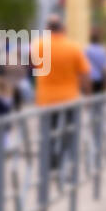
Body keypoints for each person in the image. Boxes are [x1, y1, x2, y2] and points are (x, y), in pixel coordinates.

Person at [31, 16, 91, 170]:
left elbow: (32, 67)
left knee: (48, 133)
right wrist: (87, 94)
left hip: (46, 98)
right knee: (69, 131)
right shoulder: (73, 47)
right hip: (69, 98)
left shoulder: (38, 46)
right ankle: (67, 162)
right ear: (63, 29)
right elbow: (84, 73)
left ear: (47, 29)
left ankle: (50, 163)